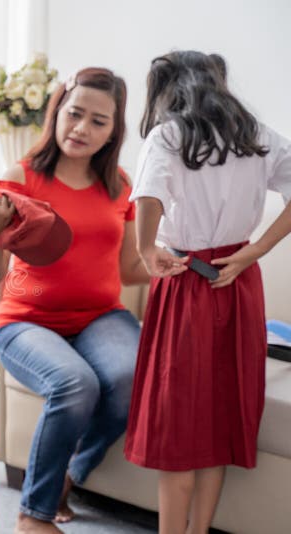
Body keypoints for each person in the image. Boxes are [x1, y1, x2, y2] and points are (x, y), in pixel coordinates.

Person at [0, 67, 151, 534]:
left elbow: (130, 267)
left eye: (99, 121)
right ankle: (34, 515)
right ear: (56, 112)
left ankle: (70, 472)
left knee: (133, 377)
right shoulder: (22, 177)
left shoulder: (121, 185)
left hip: (100, 316)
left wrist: (172, 259)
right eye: (75, 114)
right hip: (24, 320)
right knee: (76, 383)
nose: (82, 129)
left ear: (115, 129)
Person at [124, 50, 291, 534]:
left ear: (167, 90)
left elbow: (148, 198)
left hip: (187, 284)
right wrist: (254, 250)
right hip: (238, 283)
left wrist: (147, 249)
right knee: (217, 425)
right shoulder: (254, 134)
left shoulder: (168, 135)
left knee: (180, 431)